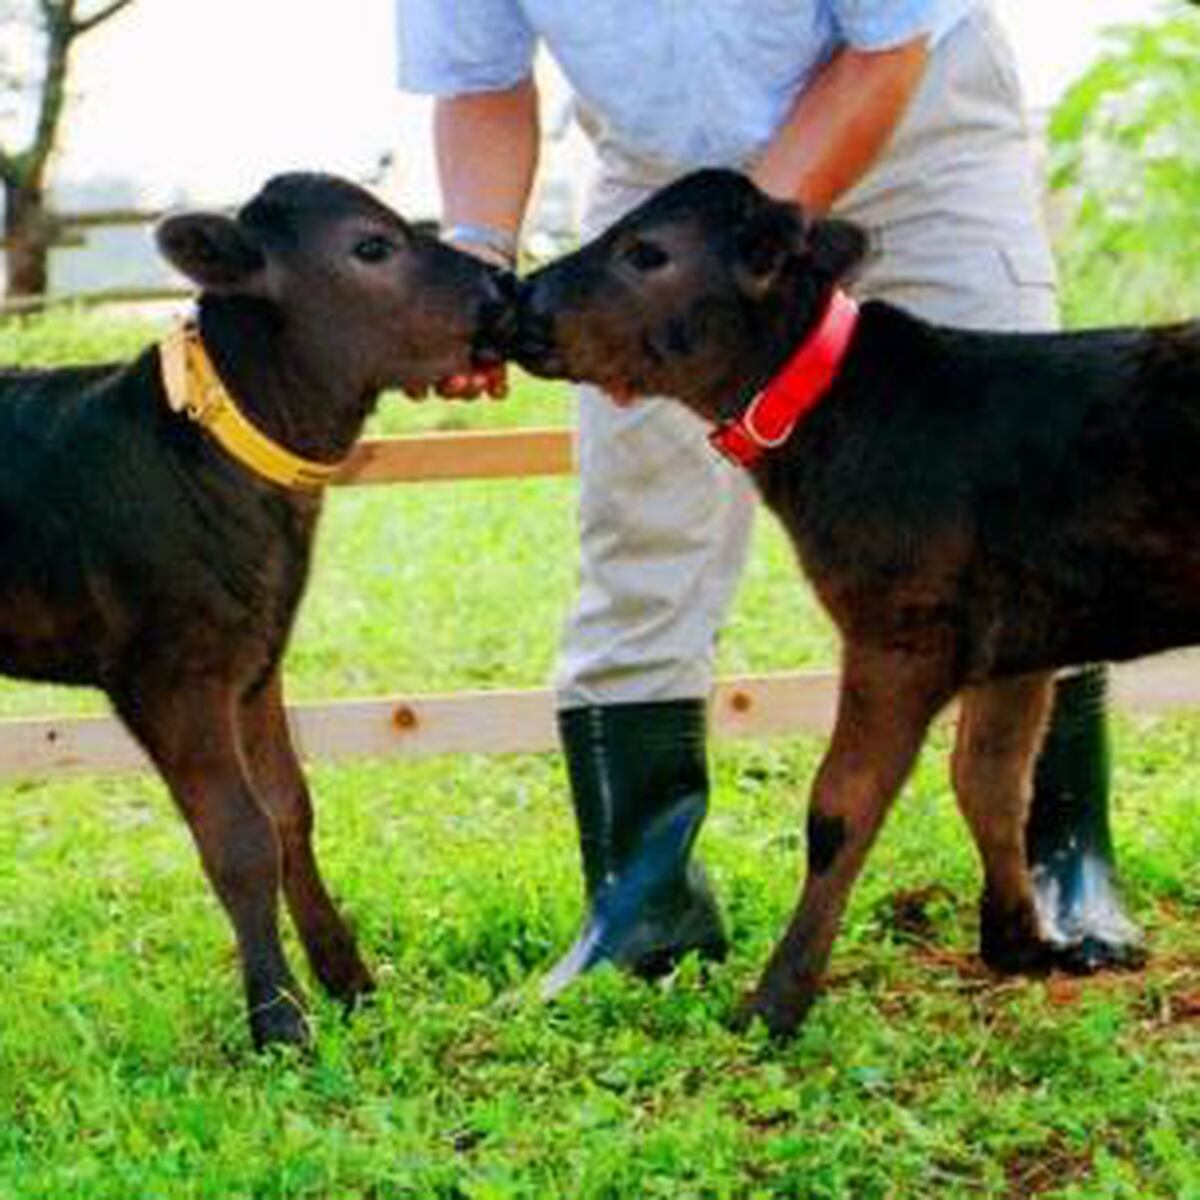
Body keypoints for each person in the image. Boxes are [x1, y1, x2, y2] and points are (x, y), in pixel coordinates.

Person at [396, 0, 1144, 995]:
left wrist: (704, 294)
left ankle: (1061, 865)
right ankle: (643, 899)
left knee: (1029, 503)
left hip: (917, 134)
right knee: (640, 532)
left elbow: (884, 55)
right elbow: (480, 77)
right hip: (661, 193)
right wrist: (479, 260)